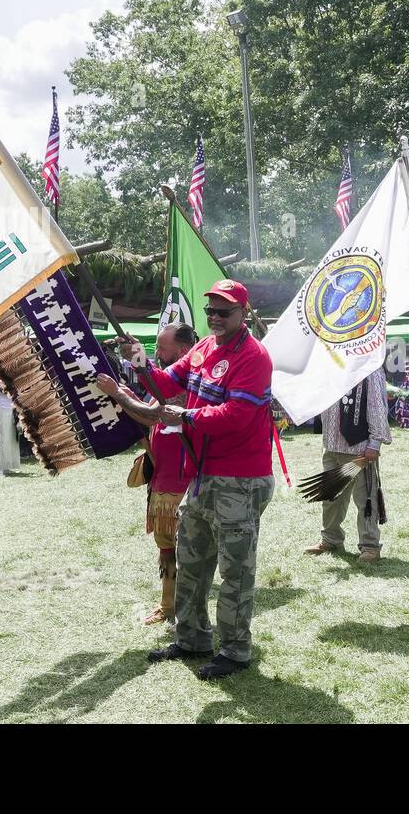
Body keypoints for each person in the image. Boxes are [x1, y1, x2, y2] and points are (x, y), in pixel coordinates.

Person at [119, 279, 275, 679]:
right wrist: (142, 365)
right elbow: (167, 384)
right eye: (210, 311)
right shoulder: (204, 349)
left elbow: (237, 415)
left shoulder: (254, 357)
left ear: (244, 313)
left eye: (224, 311)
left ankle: (236, 650)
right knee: (191, 559)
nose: (215, 318)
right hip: (203, 476)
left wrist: (186, 416)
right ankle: (192, 638)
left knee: (235, 569)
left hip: (240, 479)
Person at [97, 323, 198, 626]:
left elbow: (150, 414)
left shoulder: (190, 379)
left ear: (182, 351)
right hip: (165, 477)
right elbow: (150, 406)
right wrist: (128, 387)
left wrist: (117, 393)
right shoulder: (170, 378)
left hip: (182, 481)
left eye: (162, 348)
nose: (157, 353)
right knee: (166, 546)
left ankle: (184, 609)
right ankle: (168, 605)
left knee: (186, 549)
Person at [304, 366, 391, 562]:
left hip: (358, 447)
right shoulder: (331, 365)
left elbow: (378, 405)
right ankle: (331, 539)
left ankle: (370, 546)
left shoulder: (370, 367)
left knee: (366, 500)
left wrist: (375, 442)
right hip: (332, 445)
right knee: (331, 498)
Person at [0, 377, 21, 474]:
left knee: (11, 439)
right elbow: (0, 388)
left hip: (12, 409)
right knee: (4, 439)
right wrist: (16, 386)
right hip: (3, 408)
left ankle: (6, 466)